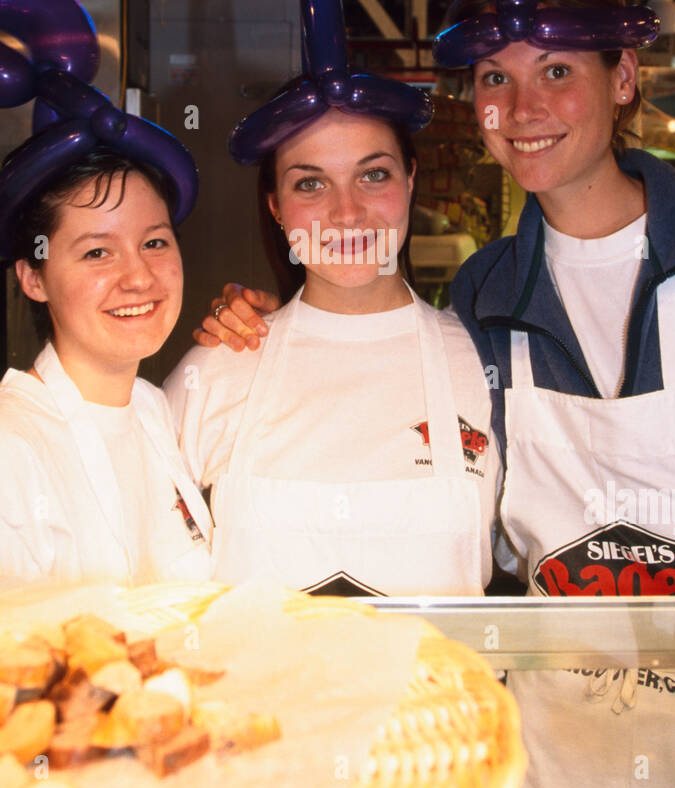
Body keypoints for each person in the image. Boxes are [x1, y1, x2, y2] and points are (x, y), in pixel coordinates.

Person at [199, 0, 675, 788]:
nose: (523, 107)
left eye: (557, 69)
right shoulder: (479, 298)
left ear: (626, 77)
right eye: (494, 78)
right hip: (552, 779)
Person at [165, 105, 499, 597]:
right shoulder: (219, 366)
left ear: (410, 180)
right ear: (276, 206)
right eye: (310, 184)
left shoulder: (481, 362)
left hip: (439, 676)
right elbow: (148, 569)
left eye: (374, 174)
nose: (346, 212)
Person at [0, 147, 213, 597]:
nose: (139, 277)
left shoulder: (150, 408)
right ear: (33, 278)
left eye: (153, 242)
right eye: (98, 252)